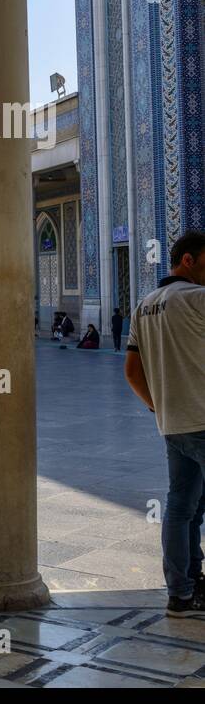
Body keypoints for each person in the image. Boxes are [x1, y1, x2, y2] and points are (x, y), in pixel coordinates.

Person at [123, 231, 205, 616]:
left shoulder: (144, 306)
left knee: (181, 507)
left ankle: (182, 592)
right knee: (185, 507)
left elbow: (131, 371)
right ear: (188, 260)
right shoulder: (196, 299)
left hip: (174, 424)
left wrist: (158, 406)